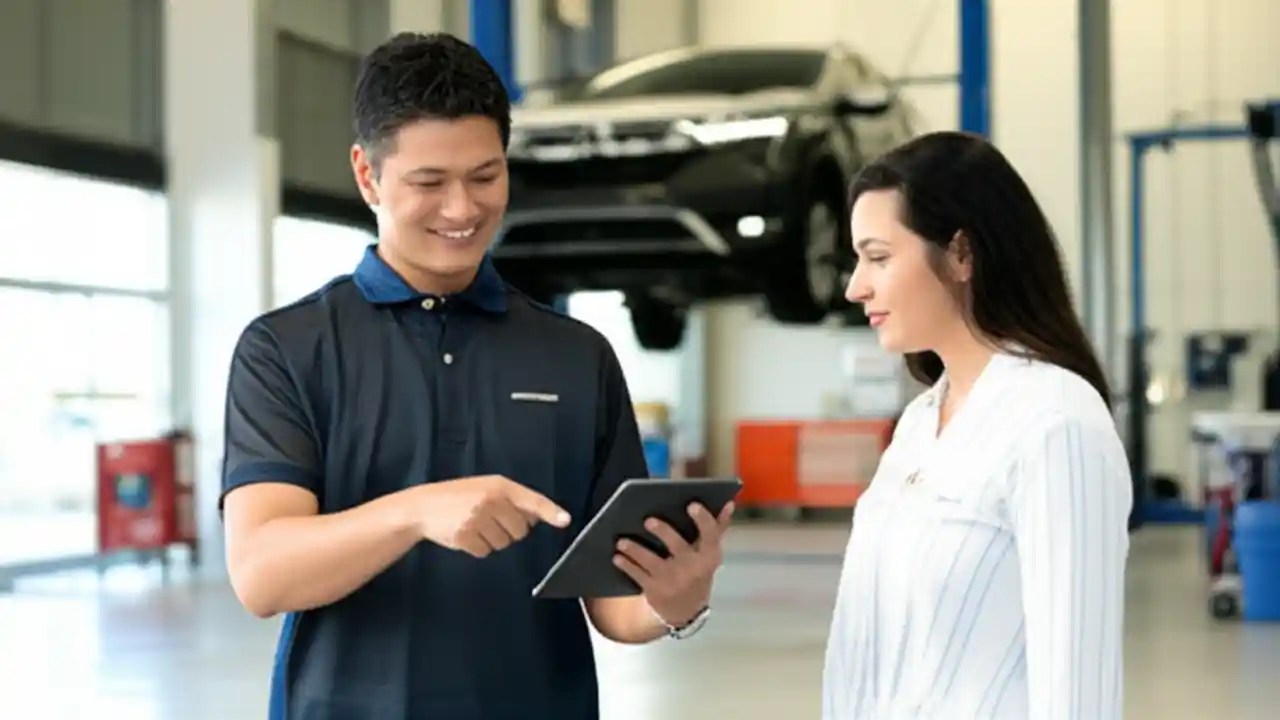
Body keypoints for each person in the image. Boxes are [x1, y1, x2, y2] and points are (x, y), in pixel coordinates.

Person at [219, 32, 732, 720]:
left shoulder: (576, 357)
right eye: (429, 183)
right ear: (367, 175)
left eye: (485, 177)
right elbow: (261, 573)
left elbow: (615, 606)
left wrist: (677, 600)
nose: (462, 210)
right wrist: (413, 512)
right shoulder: (287, 349)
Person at [822, 131, 1132, 719]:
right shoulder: (918, 424)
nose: (855, 286)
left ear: (962, 254)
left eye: (879, 257)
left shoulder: (1056, 424)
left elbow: (1078, 694)